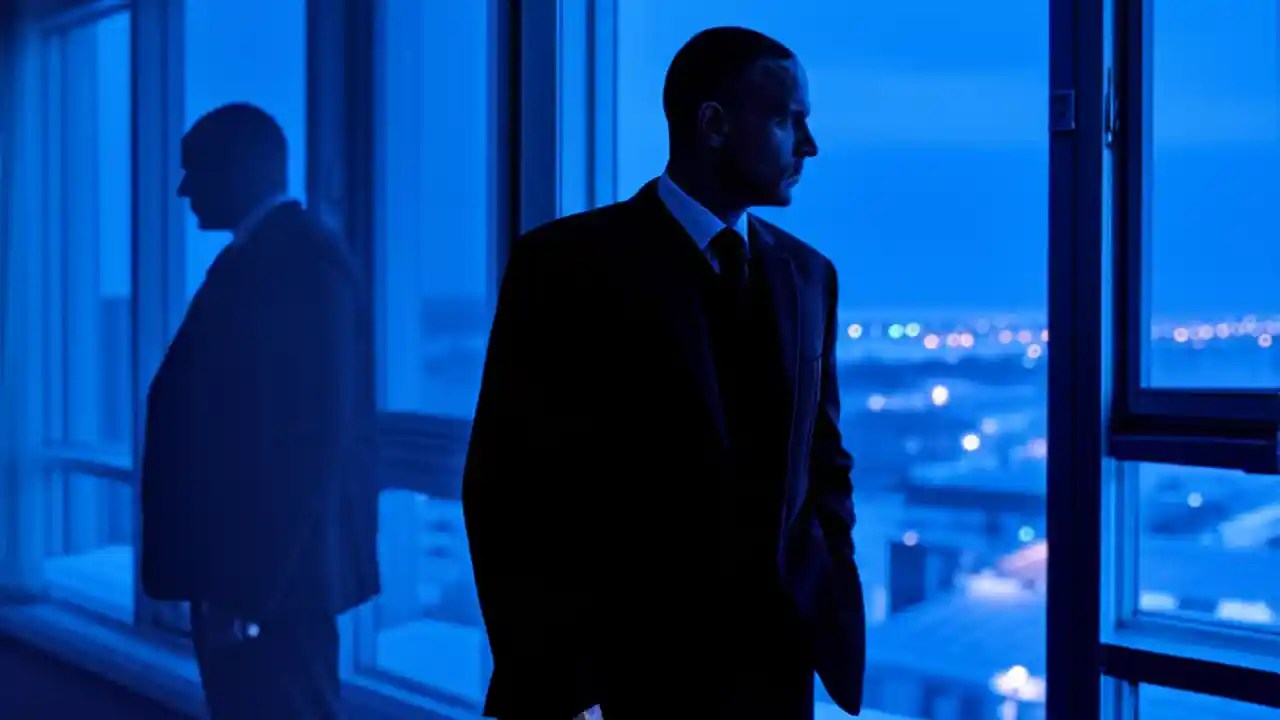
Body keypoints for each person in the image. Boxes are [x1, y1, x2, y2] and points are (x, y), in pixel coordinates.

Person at [463, 26, 864, 720]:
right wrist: (556, 687)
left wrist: (828, 612)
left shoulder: (808, 275)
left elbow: (823, 465)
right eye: (785, 118)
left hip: (776, 670)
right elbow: (508, 488)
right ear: (712, 124)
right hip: (627, 675)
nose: (808, 145)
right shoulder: (565, 265)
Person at [139, 103, 379, 719]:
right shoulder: (270, 257)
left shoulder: (301, 263)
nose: (183, 188)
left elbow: (310, 442)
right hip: (253, 582)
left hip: (268, 589)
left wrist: (250, 594)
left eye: (195, 170)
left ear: (243, 166)